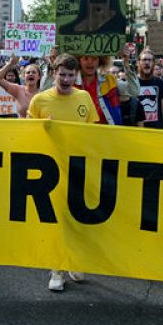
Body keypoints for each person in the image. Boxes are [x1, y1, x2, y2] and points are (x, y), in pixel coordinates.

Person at [27, 55, 100, 291]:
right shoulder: (39, 100)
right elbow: (25, 133)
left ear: (75, 75)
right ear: (53, 73)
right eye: (62, 74)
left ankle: (73, 261)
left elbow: (93, 132)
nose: (66, 79)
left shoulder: (84, 97)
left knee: (76, 218)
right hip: (50, 169)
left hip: (78, 166)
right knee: (55, 220)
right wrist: (41, 129)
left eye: (70, 75)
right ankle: (56, 269)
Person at [75, 43, 138, 125]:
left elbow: (134, 91)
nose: (90, 62)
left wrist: (126, 63)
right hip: (79, 131)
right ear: (79, 60)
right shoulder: (70, 82)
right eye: (85, 58)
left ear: (100, 61)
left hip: (108, 132)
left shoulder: (110, 81)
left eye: (94, 58)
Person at [137, 49, 163, 129]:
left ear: (153, 63)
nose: (147, 62)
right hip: (137, 130)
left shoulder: (161, 83)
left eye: (150, 60)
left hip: (156, 129)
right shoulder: (133, 83)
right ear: (139, 62)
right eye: (144, 60)